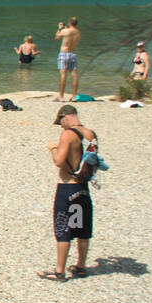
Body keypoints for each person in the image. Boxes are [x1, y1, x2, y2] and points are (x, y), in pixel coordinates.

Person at [40, 104, 97, 280]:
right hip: (83, 187)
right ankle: (81, 266)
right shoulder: (90, 134)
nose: (61, 126)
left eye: (60, 121)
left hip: (67, 187)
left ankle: (59, 271)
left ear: (66, 116)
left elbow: (58, 161)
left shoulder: (67, 135)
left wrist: (52, 148)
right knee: (81, 226)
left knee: (63, 227)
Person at [55, 17, 81, 101]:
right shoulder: (78, 32)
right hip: (73, 53)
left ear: (69, 23)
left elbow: (57, 38)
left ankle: (61, 96)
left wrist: (59, 29)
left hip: (64, 53)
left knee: (63, 74)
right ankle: (74, 96)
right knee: (74, 75)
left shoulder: (65, 31)